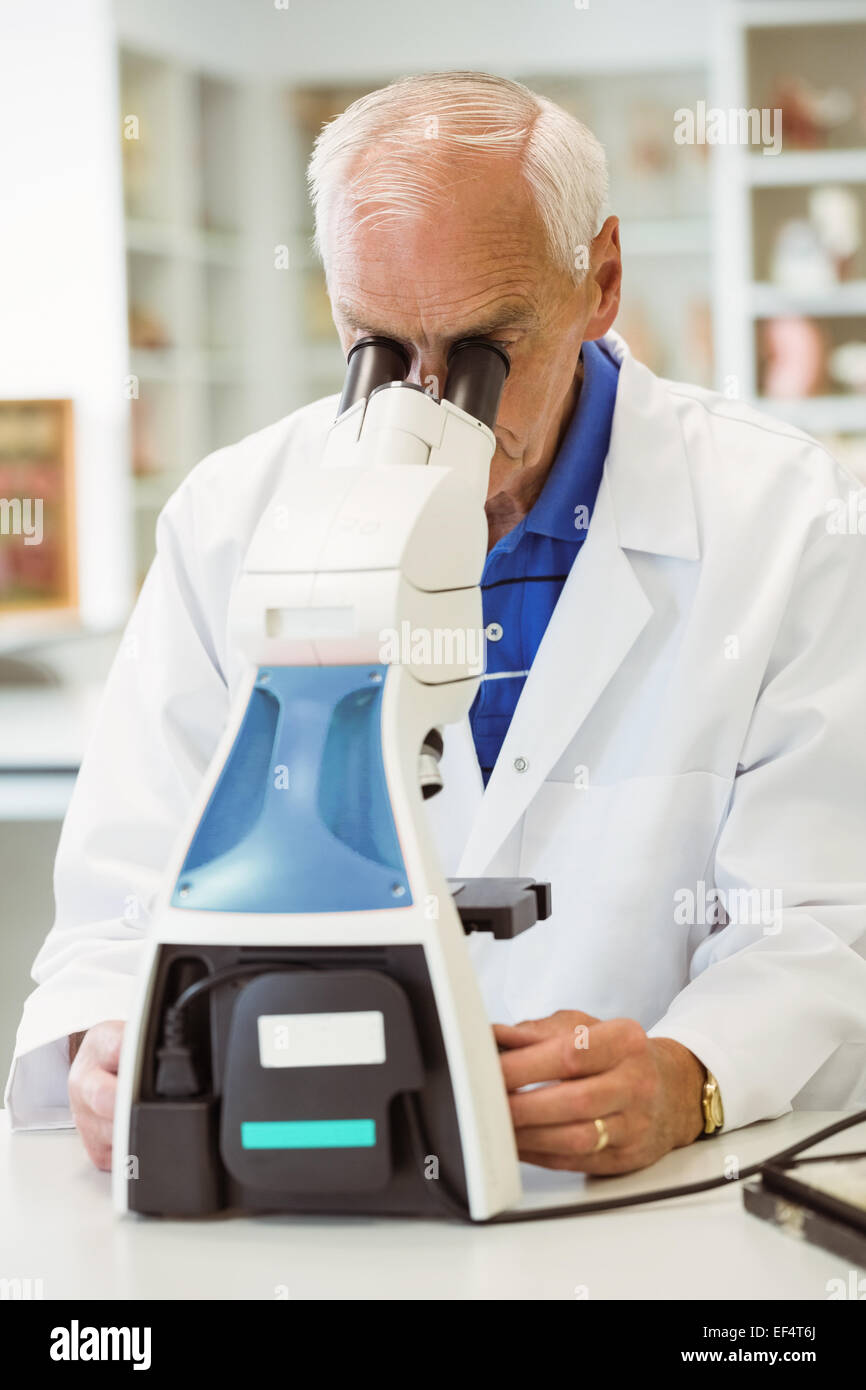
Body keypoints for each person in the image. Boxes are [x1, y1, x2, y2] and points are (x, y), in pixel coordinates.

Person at [7, 71, 866, 1178]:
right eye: (376, 346)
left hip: (652, 1205)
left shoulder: (787, 520)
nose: (423, 402)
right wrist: (106, 1042)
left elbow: (823, 919)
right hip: (316, 1179)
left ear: (597, 281)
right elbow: (119, 908)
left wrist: (691, 1072)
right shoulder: (230, 521)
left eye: (480, 349)